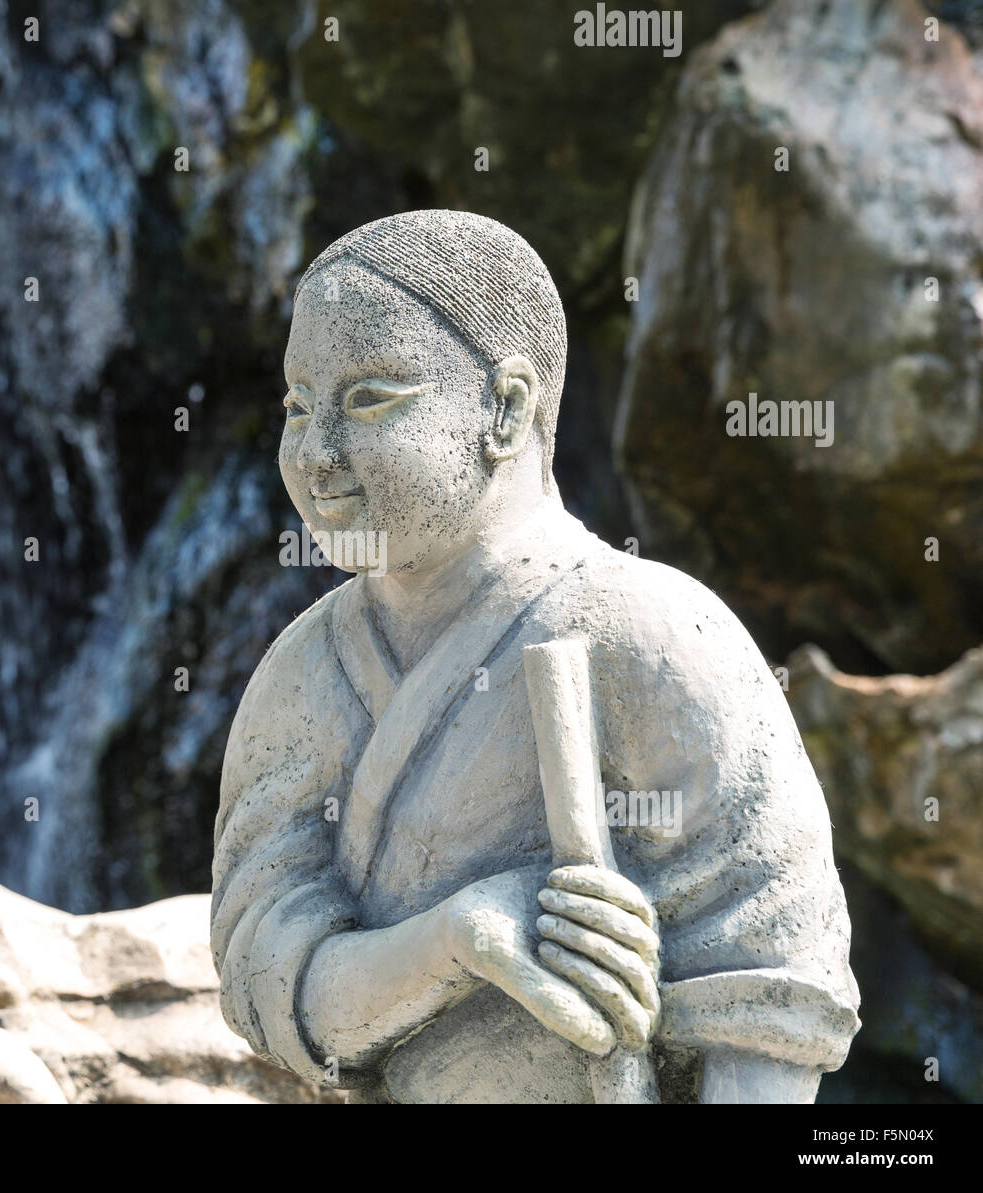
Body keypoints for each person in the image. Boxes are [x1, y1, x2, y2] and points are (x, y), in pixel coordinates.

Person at [211, 210, 860, 1103]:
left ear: (506, 409)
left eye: (368, 400)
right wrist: (455, 942)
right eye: (296, 406)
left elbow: (777, 991)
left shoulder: (653, 635)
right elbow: (269, 987)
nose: (317, 454)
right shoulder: (299, 675)